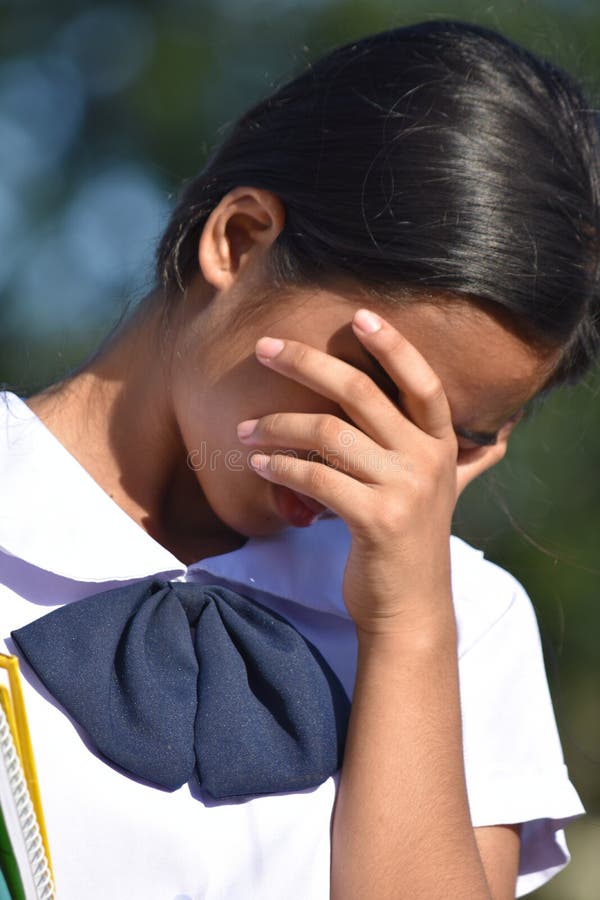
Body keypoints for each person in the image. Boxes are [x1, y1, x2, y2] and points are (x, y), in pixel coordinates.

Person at [1, 18, 598, 899]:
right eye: (372, 389)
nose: (388, 459)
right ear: (238, 242)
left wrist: (406, 629)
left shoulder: (465, 621)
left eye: (459, 435)